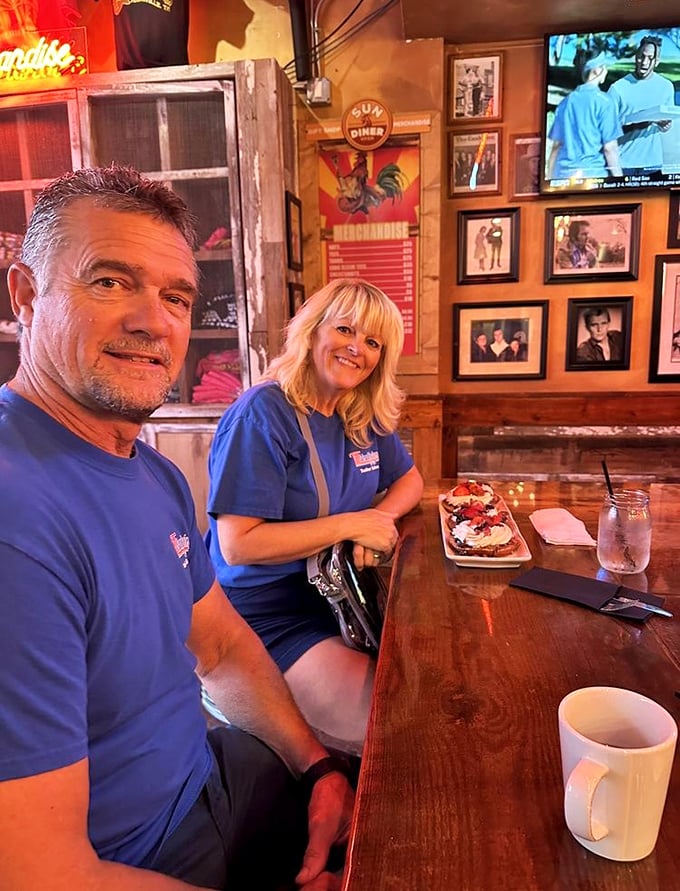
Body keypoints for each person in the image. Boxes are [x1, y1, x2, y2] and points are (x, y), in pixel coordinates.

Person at [0, 164, 354, 891]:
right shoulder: (17, 523)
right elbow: (44, 874)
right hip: (136, 858)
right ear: (26, 296)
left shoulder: (153, 472)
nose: (154, 322)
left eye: (176, 297)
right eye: (109, 281)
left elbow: (219, 645)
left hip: (210, 774)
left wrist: (316, 767)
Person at [204, 280, 424, 757]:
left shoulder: (359, 411)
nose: (357, 348)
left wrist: (380, 517)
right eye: (345, 329)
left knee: (423, 683)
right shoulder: (263, 413)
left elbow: (411, 481)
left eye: (373, 342)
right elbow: (238, 545)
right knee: (388, 723)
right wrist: (352, 525)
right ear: (312, 330)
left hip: (337, 595)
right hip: (261, 611)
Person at [546, 49, 623, 181]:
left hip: (563, 178)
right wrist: (620, 180)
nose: (606, 71)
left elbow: (556, 147)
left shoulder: (565, 102)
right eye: (604, 67)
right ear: (597, 71)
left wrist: (549, 180)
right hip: (592, 177)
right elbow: (609, 148)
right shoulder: (605, 102)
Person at [608, 35, 676, 174]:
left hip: (653, 164)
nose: (644, 62)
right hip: (623, 165)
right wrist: (635, 125)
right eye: (641, 57)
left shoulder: (666, 87)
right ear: (636, 57)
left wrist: (665, 125)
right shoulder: (618, 88)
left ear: (656, 62)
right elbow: (606, 131)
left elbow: (667, 126)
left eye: (650, 58)